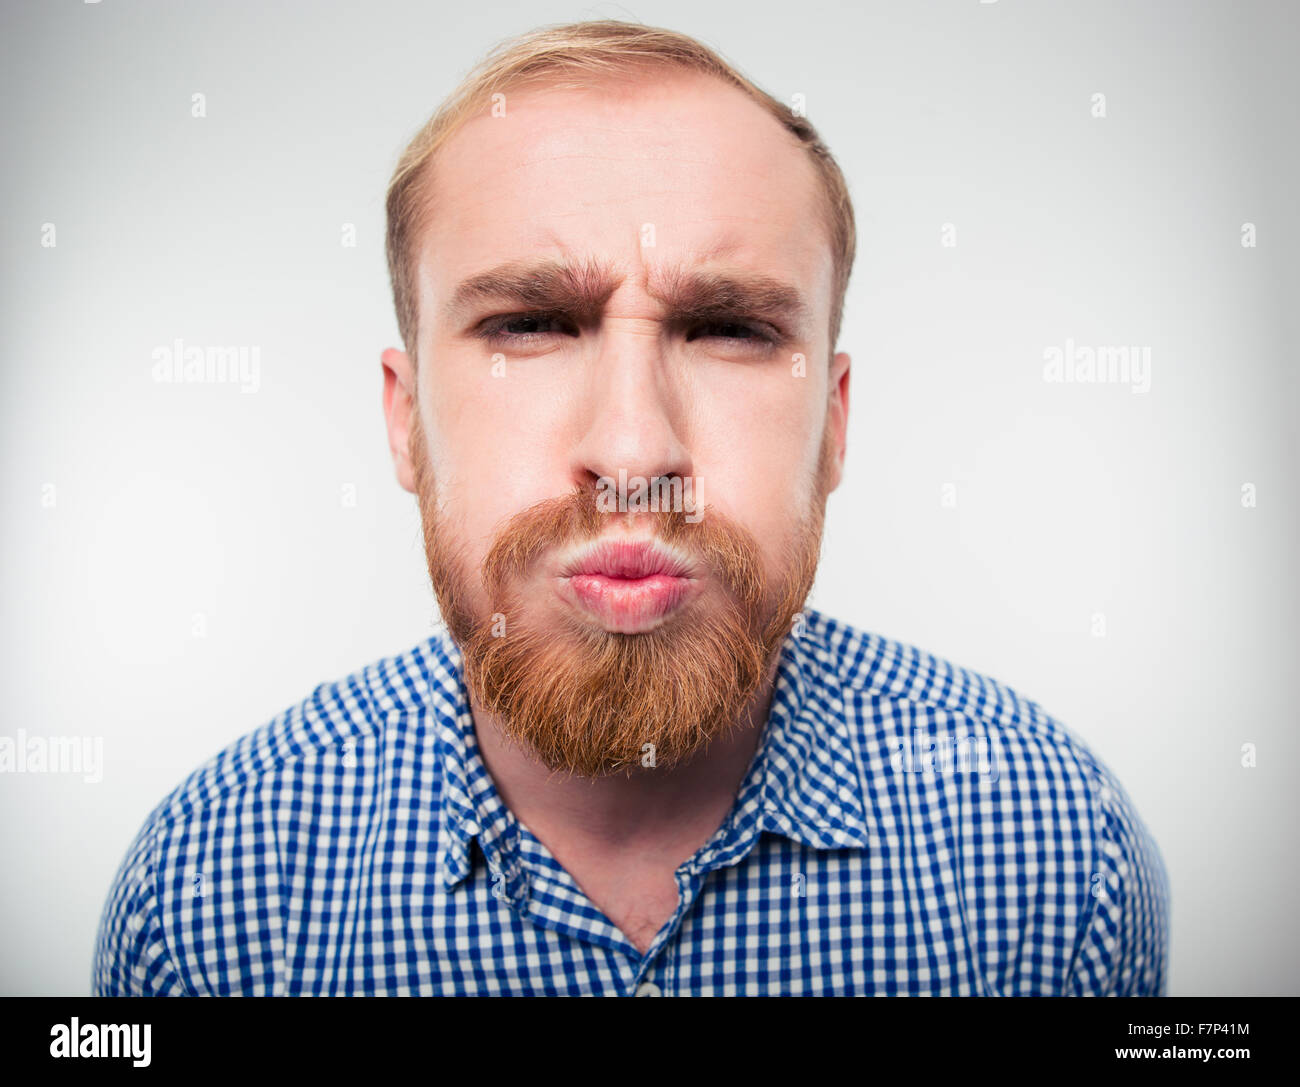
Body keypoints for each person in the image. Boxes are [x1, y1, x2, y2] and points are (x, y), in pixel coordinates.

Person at [93, 19, 1168, 997]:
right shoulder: (201, 897)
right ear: (405, 420)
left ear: (833, 427)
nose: (633, 453)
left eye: (730, 329)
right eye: (530, 323)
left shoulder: (1055, 856)